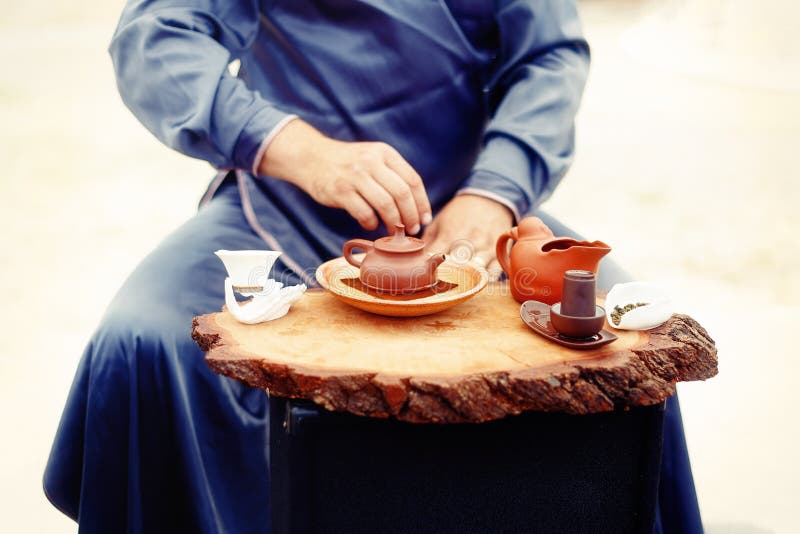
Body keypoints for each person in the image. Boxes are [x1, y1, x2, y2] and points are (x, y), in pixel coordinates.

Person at [44, 1, 702, 532]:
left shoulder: (483, 202)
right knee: (142, 335)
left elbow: (548, 56)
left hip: (469, 222)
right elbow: (153, 33)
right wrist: (294, 147)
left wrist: (495, 192)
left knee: (624, 342)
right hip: (279, 207)